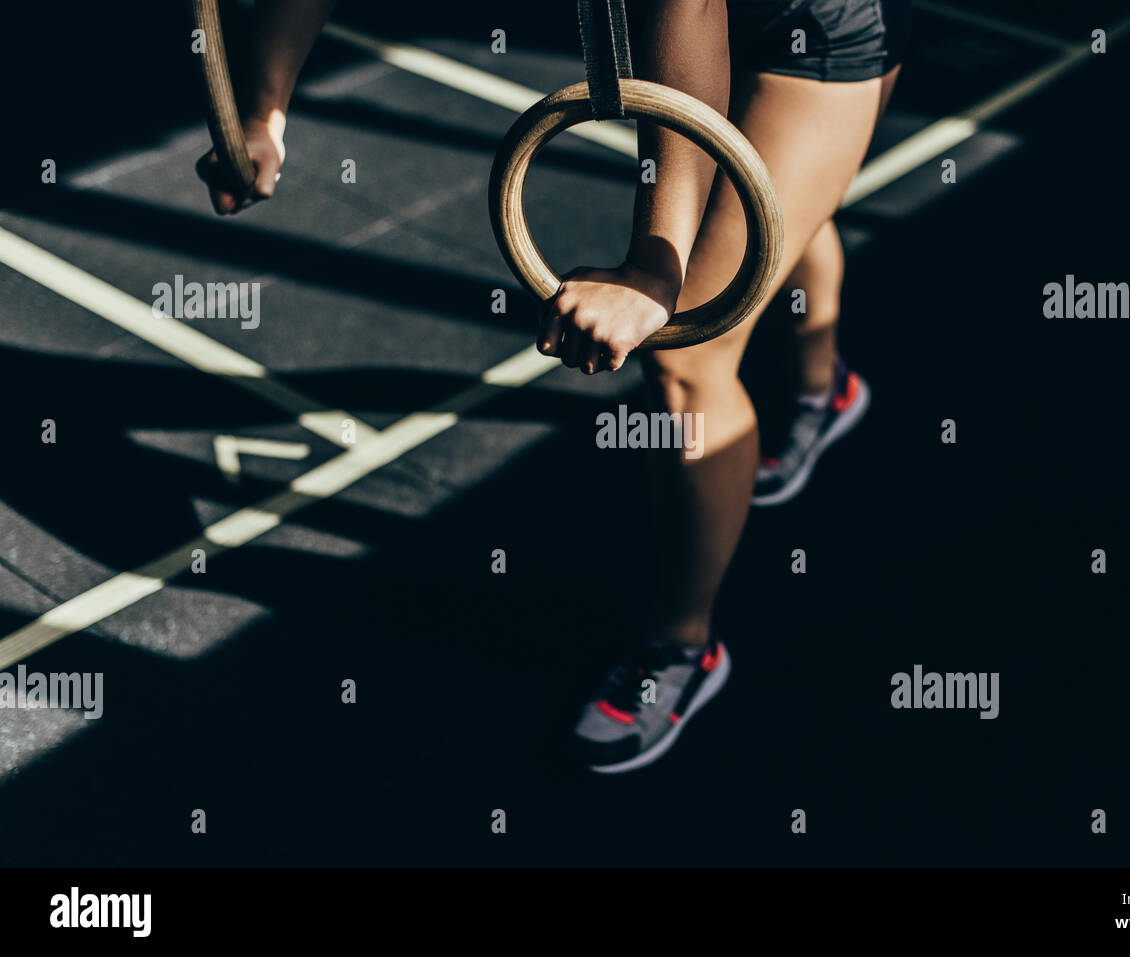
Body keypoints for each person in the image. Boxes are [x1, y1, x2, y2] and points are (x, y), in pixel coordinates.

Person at [197, 0, 910, 774]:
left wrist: (652, 270)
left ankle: (685, 643)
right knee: (773, 207)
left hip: (813, 30)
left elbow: (692, 5)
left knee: (688, 358)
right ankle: (825, 388)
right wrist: (265, 111)